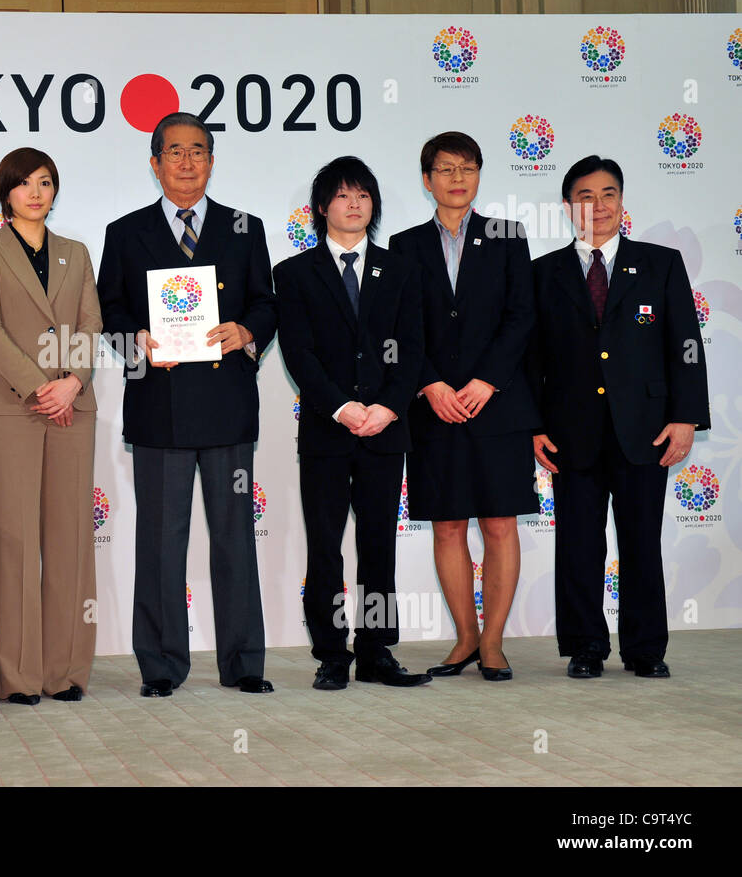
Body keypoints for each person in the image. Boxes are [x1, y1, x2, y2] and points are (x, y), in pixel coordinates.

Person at [97, 112, 276, 698]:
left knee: (234, 540)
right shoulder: (125, 232)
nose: (186, 162)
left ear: (212, 160)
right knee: (160, 542)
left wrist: (246, 330)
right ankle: (161, 667)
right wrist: (138, 342)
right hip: (159, 407)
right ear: (155, 163)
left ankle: (245, 662)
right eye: (174, 152)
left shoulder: (245, 227)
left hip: (227, 408)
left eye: (198, 151)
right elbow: (110, 311)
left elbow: (267, 302)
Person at [529, 156, 708, 679]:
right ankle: (585, 647)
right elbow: (530, 359)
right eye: (585, 195)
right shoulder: (543, 273)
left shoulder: (661, 263)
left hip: (646, 429)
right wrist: (535, 425)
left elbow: (686, 345)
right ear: (568, 206)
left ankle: (646, 649)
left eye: (609, 194)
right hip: (570, 431)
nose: (598, 205)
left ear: (622, 202)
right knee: (579, 544)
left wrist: (686, 417)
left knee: (641, 542)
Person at [274, 156, 427, 691]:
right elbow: (300, 353)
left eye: (363, 195)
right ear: (322, 208)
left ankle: (377, 651)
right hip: (326, 432)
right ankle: (332, 653)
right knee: (325, 545)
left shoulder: (402, 269)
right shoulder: (293, 274)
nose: (354, 204)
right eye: (342, 196)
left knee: (379, 544)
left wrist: (387, 407)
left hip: (386, 431)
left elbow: (413, 350)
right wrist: (342, 407)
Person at [389, 132, 537, 682]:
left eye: (468, 167)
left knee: (499, 523)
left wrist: (486, 381)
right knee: (448, 526)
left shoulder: (507, 236)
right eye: (445, 169)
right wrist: (429, 385)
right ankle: (466, 638)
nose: (457, 177)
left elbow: (522, 316)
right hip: (435, 409)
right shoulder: (403, 247)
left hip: (496, 406)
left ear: (479, 175)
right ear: (426, 179)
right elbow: (400, 328)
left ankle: (495, 641)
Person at [0, 148, 101, 705]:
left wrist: (71, 382)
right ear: (6, 193)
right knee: (16, 540)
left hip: (73, 406)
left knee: (70, 538)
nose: (35, 192)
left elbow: (92, 323)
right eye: (24, 184)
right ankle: (18, 676)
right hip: (16, 407)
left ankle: (66, 671)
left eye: (45, 182)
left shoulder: (76, 252)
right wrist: (40, 387)